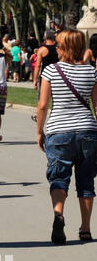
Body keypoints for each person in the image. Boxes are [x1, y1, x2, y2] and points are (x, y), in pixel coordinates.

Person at [36, 28, 97, 244]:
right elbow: (96, 106)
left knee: (59, 178)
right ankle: (86, 228)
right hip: (88, 131)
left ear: (62, 47)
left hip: (59, 131)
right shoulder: (91, 71)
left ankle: (58, 214)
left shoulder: (51, 71)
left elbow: (43, 105)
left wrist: (39, 131)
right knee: (86, 181)